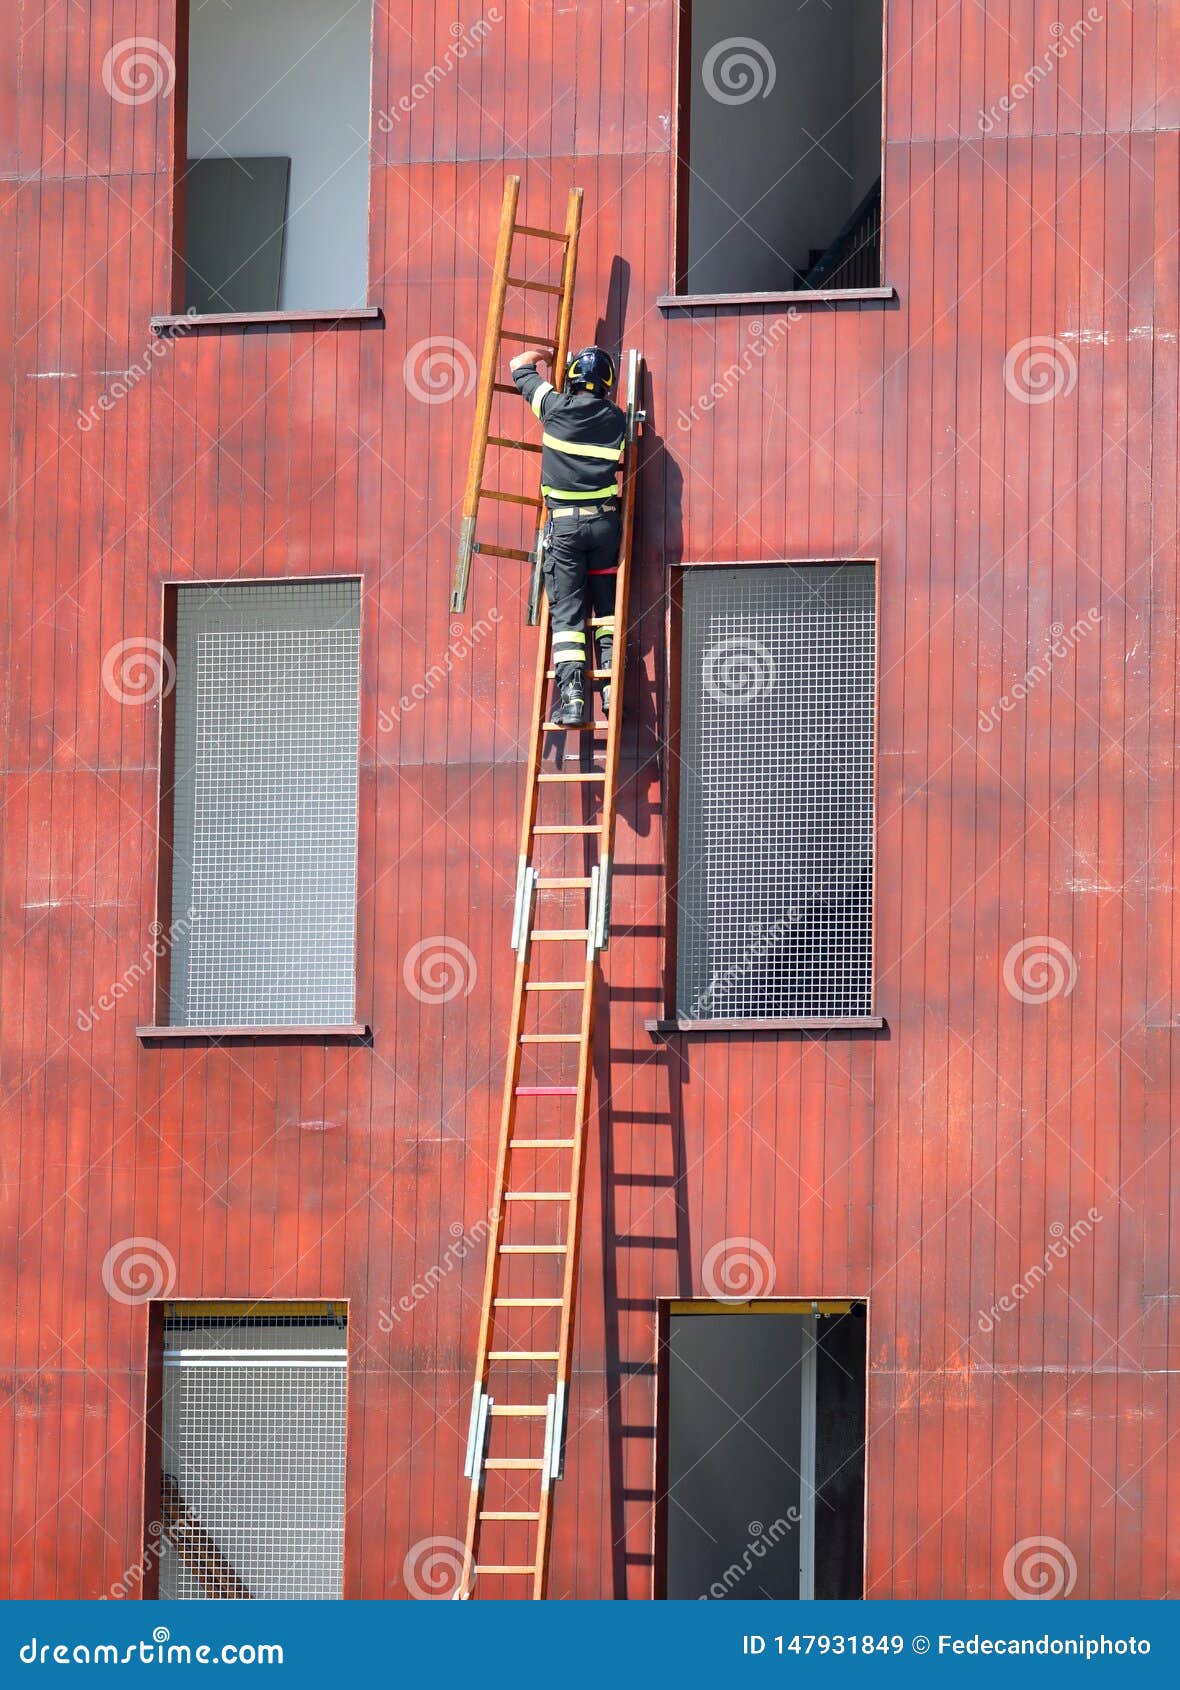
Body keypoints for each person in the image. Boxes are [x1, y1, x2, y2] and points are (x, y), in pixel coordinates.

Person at [509, 343, 626, 725]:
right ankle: (611, 687)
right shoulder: (618, 419)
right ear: (607, 382)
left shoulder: (553, 407)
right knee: (607, 607)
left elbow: (517, 366)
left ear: (572, 376)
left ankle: (573, 699)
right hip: (606, 526)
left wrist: (543, 353)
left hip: (565, 528)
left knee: (568, 611)